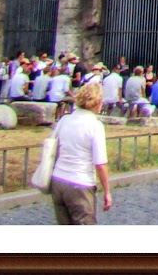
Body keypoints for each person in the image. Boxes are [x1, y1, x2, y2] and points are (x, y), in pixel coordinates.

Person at [47, 79, 113, 224]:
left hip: (58, 180)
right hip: (80, 183)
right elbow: (100, 163)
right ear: (97, 103)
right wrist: (107, 191)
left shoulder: (64, 120)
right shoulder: (95, 125)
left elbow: (52, 148)